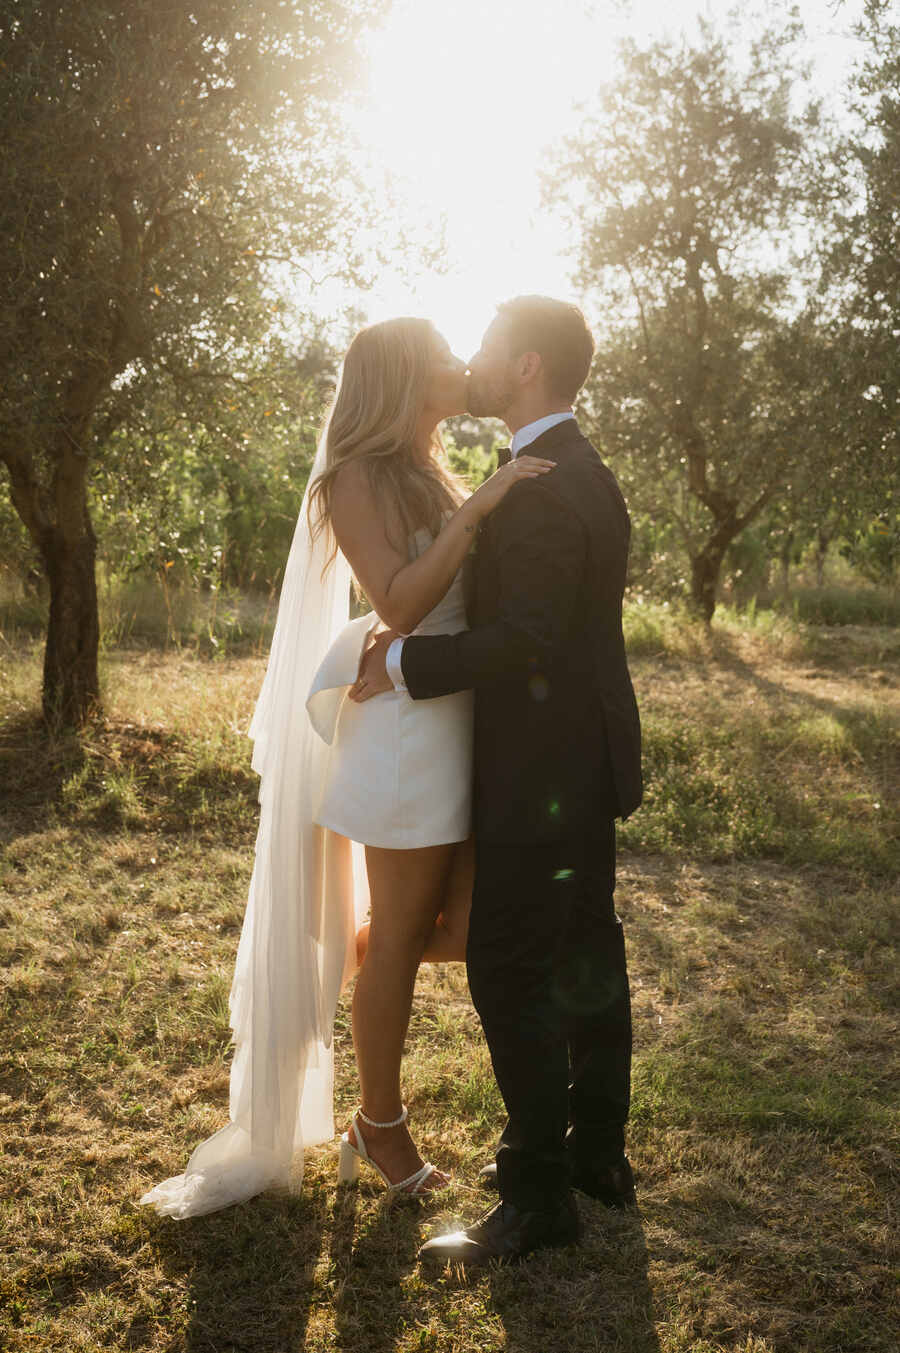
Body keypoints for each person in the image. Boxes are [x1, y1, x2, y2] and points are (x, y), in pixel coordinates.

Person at [140, 316, 553, 1218]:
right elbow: (401, 602)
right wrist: (483, 505)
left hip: (458, 721)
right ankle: (380, 1119)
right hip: (405, 739)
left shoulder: (428, 466)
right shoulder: (353, 479)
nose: (460, 364)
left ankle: (359, 965)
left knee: (465, 926)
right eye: (444, 355)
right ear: (406, 379)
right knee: (406, 938)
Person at [352, 295, 642, 1263]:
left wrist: (400, 667)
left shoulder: (544, 486)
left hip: (539, 771)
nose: (468, 361)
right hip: (586, 760)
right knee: (588, 952)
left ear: (524, 366)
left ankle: (537, 1195)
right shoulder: (586, 471)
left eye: (481, 346)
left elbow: (529, 638)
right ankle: (598, 1155)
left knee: (510, 968)